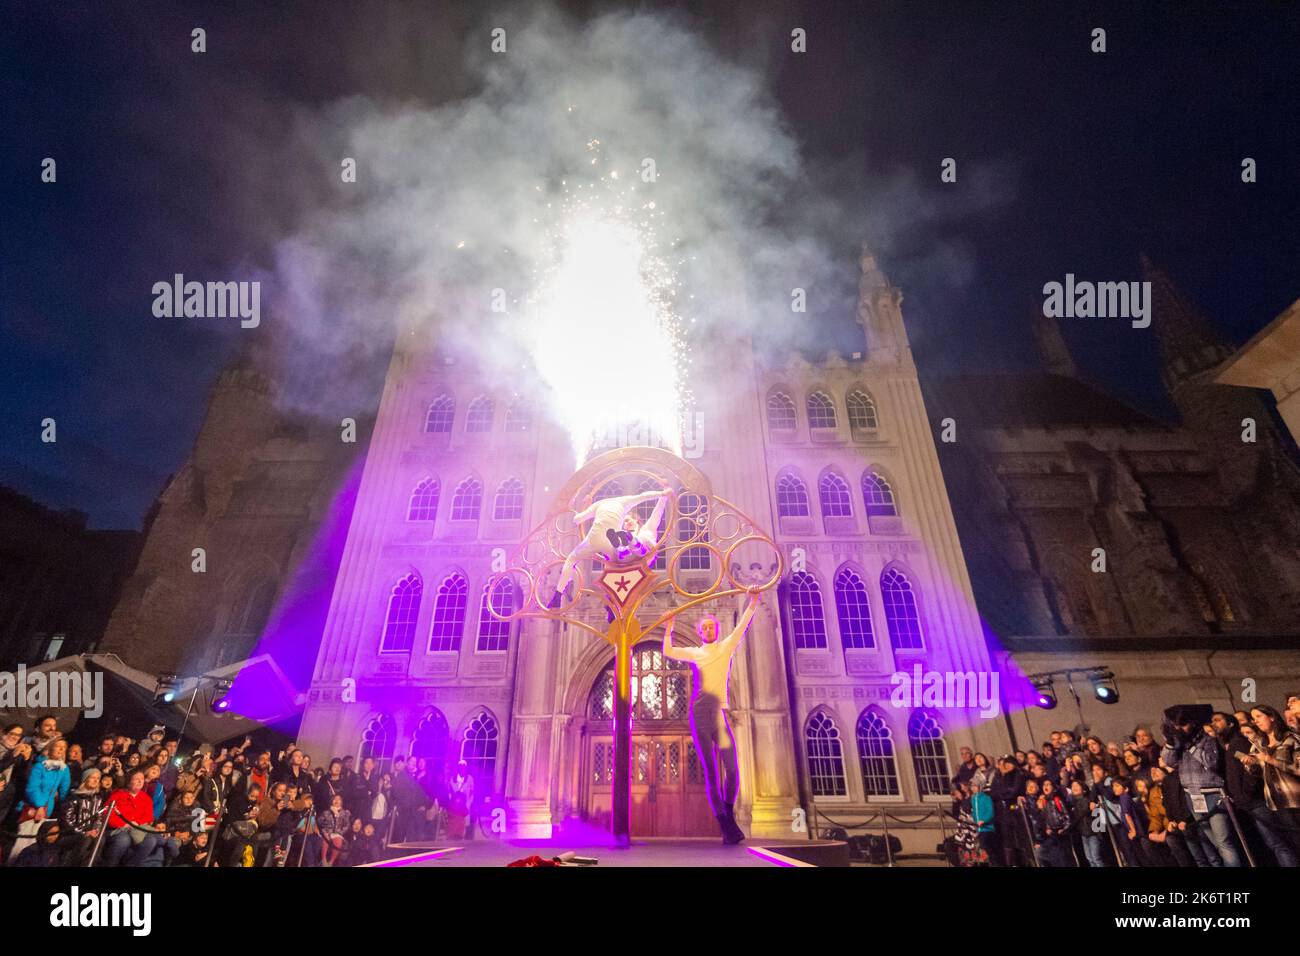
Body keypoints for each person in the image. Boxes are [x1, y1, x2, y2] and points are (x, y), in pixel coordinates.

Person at [662, 590, 761, 844]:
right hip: (699, 715)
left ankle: (727, 812)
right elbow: (668, 650)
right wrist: (669, 626)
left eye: (711, 627)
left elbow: (742, 626)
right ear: (700, 633)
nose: (708, 630)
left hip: (719, 715)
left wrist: (753, 601)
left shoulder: (726, 647)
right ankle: (724, 824)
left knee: (732, 769)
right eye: (704, 628)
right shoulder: (696, 653)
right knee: (711, 773)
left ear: (716, 630)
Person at [551, 488, 671, 603]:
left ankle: (631, 540)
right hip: (626, 562)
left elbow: (657, 513)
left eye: (629, 520)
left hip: (643, 555)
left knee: (639, 541)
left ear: (637, 521)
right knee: (613, 553)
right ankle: (611, 602)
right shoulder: (617, 532)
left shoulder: (646, 530)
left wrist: (663, 497)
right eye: (624, 521)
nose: (626, 523)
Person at [1160, 703, 1242, 867]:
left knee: (1224, 842)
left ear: (1192, 723)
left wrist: (1189, 745)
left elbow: (1211, 762)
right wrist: (1171, 741)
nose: (1180, 728)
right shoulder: (1179, 742)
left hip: (1213, 795)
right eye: (1177, 725)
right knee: (1215, 843)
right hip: (1193, 796)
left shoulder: (1208, 740)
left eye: (1183, 724)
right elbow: (1168, 761)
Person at [446, 761, 475, 839]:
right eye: (460, 766)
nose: (462, 768)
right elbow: (449, 793)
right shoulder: (452, 779)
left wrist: (468, 805)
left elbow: (472, 793)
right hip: (454, 807)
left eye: (463, 766)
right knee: (453, 826)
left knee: (462, 826)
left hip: (464, 807)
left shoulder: (470, 779)